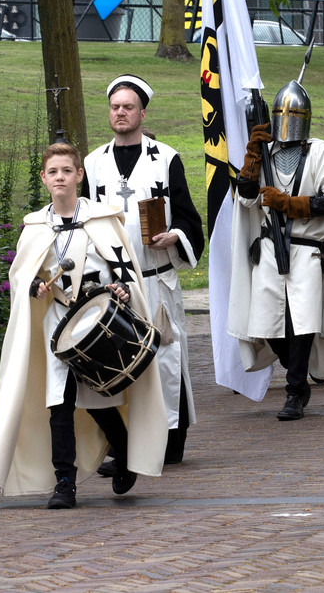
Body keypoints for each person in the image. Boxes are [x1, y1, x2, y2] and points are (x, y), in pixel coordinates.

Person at [0, 141, 167, 509]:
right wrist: (33, 286)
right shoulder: (35, 227)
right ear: (44, 179)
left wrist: (121, 291)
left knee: (99, 399)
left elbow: (124, 270)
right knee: (59, 404)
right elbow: (22, 277)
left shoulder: (103, 221)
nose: (60, 177)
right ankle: (64, 482)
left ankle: (125, 452)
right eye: (53, 172)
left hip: (96, 319)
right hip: (57, 324)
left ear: (79, 175)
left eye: (66, 170)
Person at [82, 75, 204, 466]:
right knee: (118, 359)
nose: (120, 112)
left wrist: (176, 236)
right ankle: (122, 446)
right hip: (113, 285)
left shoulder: (166, 159)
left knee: (166, 358)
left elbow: (189, 219)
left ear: (142, 112)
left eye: (128, 107)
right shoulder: (93, 163)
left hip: (155, 280)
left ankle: (170, 440)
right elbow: (83, 222)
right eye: (115, 107)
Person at [228, 79, 324, 421]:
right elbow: (245, 197)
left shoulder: (319, 151)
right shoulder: (266, 153)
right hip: (271, 247)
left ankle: (295, 390)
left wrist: (289, 203)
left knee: (301, 321)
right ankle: (295, 368)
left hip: (306, 249)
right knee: (266, 321)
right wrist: (251, 160)